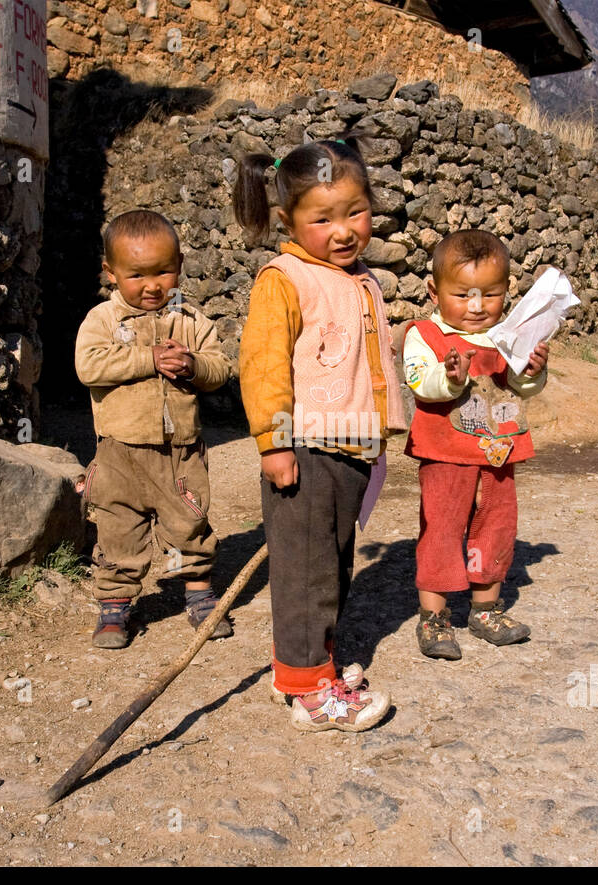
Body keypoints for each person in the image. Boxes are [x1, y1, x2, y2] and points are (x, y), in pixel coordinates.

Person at [235, 136, 404, 732]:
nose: (343, 230)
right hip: (304, 449)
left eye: (355, 211)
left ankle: (319, 665)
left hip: (350, 451)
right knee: (305, 573)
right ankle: (308, 690)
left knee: (330, 565)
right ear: (287, 219)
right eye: (322, 218)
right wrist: (274, 444)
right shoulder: (284, 279)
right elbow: (263, 366)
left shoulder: (362, 280)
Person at [74, 209, 233, 648]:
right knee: (118, 526)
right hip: (119, 452)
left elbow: (221, 370)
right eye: (137, 275)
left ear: (179, 265)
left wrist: (194, 365)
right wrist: (148, 360)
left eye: (163, 272)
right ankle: (115, 604)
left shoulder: (191, 320)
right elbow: (88, 366)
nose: (152, 285)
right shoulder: (103, 319)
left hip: (180, 451)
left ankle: (199, 593)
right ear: (110, 272)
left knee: (189, 521)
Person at [402, 229, 550, 661]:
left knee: (497, 525)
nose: (476, 306)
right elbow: (420, 384)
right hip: (446, 454)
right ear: (434, 291)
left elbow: (521, 385)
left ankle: (484, 608)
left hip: (499, 452)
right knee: (442, 528)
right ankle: (434, 618)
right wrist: (448, 378)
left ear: (506, 292)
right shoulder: (425, 335)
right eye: (462, 294)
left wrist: (532, 369)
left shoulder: (509, 335)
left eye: (490, 294)